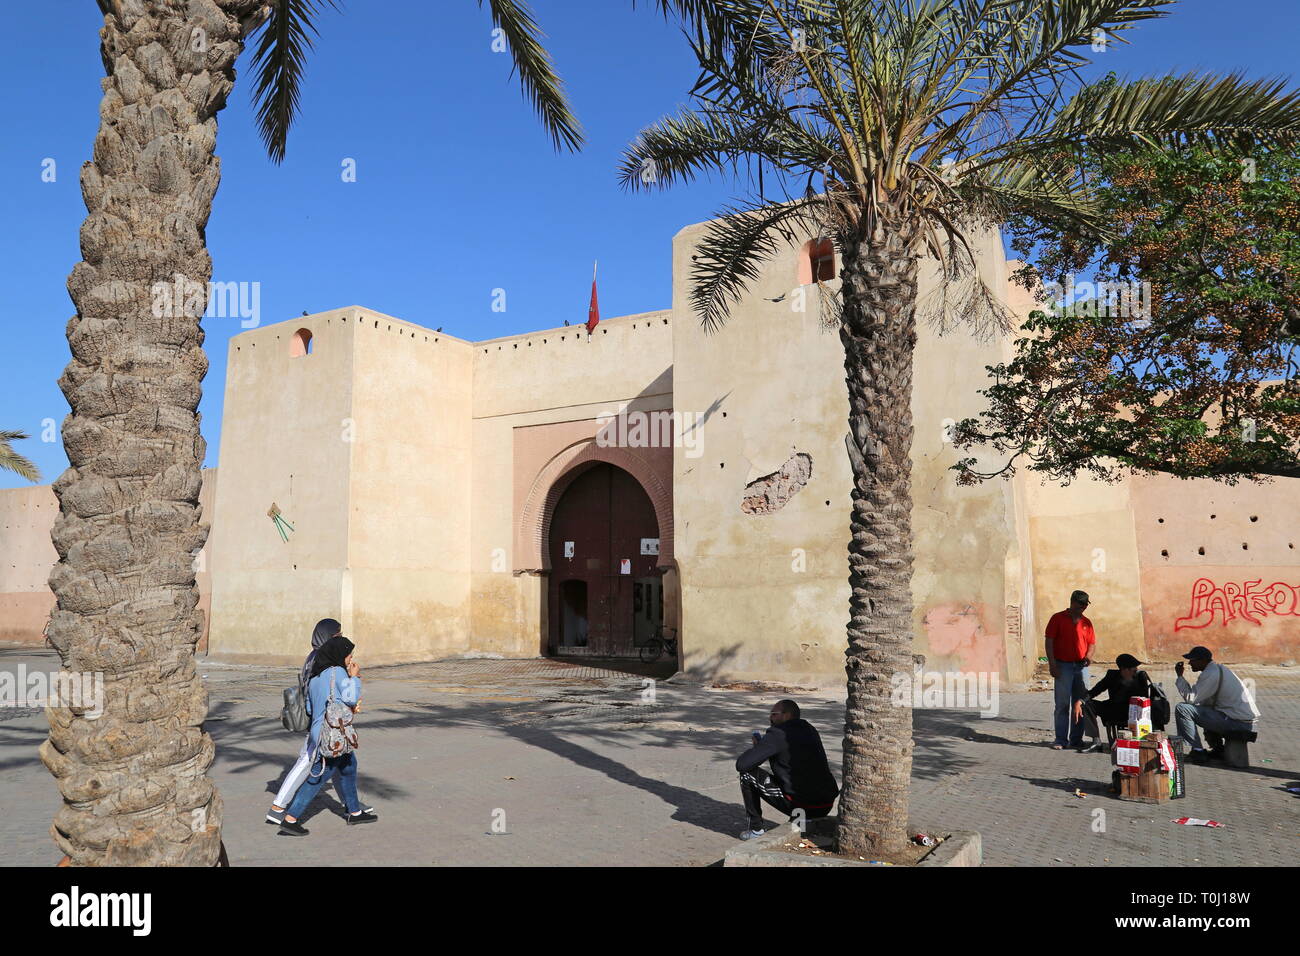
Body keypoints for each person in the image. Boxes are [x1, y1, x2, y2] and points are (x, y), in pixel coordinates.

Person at [266, 619, 372, 825]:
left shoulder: (317, 658)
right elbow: (345, 695)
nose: (340, 639)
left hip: (319, 719)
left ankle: (354, 808)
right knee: (314, 767)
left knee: (345, 763)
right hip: (328, 725)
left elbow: (310, 697)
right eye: (337, 636)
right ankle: (285, 812)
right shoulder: (327, 664)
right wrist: (354, 678)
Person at [735, 699, 839, 839]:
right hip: (826, 805)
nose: (770, 718)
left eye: (774, 714)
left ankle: (756, 830)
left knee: (747, 774)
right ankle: (804, 820)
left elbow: (742, 764)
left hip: (802, 806)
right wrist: (763, 746)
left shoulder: (778, 733)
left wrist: (758, 748)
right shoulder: (810, 729)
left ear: (787, 715)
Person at [1174, 646, 1260, 765]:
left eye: (1192, 660)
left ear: (1203, 660)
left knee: (1182, 708)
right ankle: (1218, 749)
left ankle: (1198, 751)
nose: (1189, 663)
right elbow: (1204, 703)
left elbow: (1190, 698)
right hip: (1241, 720)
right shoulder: (1216, 669)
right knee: (1204, 710)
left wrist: (1180, 677)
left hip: (1239, 723)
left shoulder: (1211, 673)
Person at [1072, 653, 1167, 752]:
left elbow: (1145, 700)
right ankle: (1096, 741)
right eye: (1133, 669)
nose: (1135, 671)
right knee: (1087, 705)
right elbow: (1095, 691)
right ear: (1124, 669)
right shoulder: (1111, 676)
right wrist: (1080, 701)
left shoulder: (1140, 677)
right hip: (1113, 709)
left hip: (1133, 713)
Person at [1045, 590, 1096, 750]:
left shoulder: (1087, 622)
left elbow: (1092, 643)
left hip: (1081, 666)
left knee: (1080, 704)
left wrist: (1089, 655)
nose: (1083, 608)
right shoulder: (1057, 618)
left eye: (1085, 605)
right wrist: (1052, 665)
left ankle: (1076, 739)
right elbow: (1049, 641)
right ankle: (1060, 739)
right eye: (1081, 604)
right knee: (1062, 704)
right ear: (1072, 602)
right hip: (1063, 666)